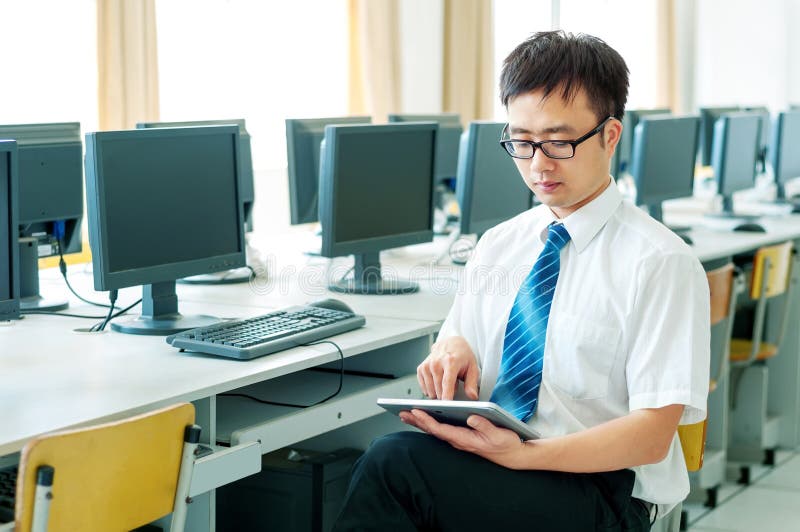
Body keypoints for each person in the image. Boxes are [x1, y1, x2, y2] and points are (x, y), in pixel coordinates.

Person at [333, 30, 710, 531]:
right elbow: (457, 339)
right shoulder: (500, 243)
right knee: (391, 457)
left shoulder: (660, 262)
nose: (538, 164)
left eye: (558, 141)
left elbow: (651, 438)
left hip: (601, 486)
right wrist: (452, 352)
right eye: (522, 142)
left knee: (394, 465)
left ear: (610, 135)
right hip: (501, 459)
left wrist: (521, 456)